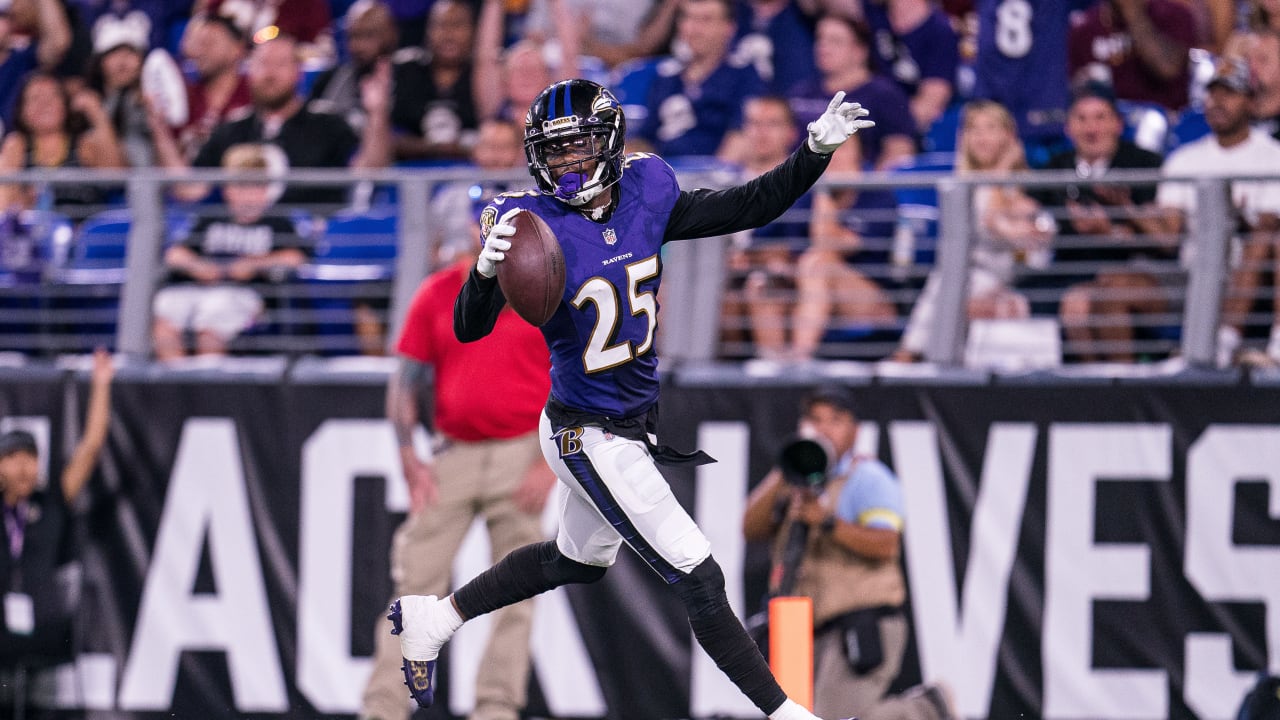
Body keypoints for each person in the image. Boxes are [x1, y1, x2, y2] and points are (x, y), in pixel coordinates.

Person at [389, 78, 874, 720]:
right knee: (700, 577)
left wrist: (813, 152)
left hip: (629, 422)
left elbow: (746, 207)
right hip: (585, 433)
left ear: (611, 142)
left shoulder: (648, 191)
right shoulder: (530, 226)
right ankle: (787, 714)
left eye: (578, 147)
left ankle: (436, 617)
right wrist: (484, 273)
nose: (566, 163)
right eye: (553, 152)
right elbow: (469, 329)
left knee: (576, 560)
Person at [359, 198, 556, 720]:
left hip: (522, 450)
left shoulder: (543, 291)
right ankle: (384, 709)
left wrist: (548, 461)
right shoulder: (441, 290)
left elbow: (574, 382)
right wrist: (409, 454)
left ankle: (496, 709)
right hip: (453, 452)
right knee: (414, 588)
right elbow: (406, 377)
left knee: (516, 594)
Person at [741, 386, 955, 720]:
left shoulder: (867, 479)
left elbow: (886, 544)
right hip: (804, 628)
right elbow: (749, 528)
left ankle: (926, 710)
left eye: (836, 420)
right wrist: (786, 468)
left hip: (862, 622)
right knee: (795, 715)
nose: (823, 428)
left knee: (830, 718)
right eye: (814, 419)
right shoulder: (793, 480)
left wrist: (827, 522)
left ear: (855, 432)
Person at [894, 99, 1056, 362]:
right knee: (948, 283)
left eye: (990, 128)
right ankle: (918, 358)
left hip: (1011, 279)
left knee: (948, 286)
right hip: (968, 280)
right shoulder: (960, 187)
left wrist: (1002, 173)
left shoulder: (1028, 186)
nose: (981, 137)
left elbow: (1003, 228)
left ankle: (908, 354)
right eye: (973, 129)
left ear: (1008, 135)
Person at [1154, 58, 1280, 366]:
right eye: (1213, 94)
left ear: (1251, 101)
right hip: (1192, 267)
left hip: (1255, 268)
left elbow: (1270, 222)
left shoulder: (1273, 157)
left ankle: (1236, 343)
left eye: (1230, 94)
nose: (1218, 102)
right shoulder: (1184, 159)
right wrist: (1128, 214)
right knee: (1109, 285)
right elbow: (1168, 231)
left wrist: (1235, 219)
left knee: (1266, 238)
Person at [1036, 82, 1171, 363]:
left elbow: (1163, 239)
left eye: (1100, 117)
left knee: (1083, 303)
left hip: (1133, 270)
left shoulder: (1145, 165)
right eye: (1081, 118)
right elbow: (1035, 220)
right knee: (1071, 303)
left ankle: (1119, 391)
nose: (1091, 128)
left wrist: (1111, 230)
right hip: (1069, 271)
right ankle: (1096, 395)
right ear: (1068, 127)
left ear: (1118, 124)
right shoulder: (1053, 170)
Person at [1, 349, 113, 686]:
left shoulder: (52, 500)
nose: (23, 467)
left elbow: (91, 446)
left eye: (30, 458)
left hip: (45, 629)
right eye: (13, 458)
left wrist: (102, 384)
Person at [151, 142, 311, 360]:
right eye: (239, 186)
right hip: (200, 288)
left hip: (246, 297)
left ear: (266, 190)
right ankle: (174, 387)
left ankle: (207, 387)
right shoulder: (211, 217)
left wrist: (252, 265)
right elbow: (175, 254)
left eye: (254, 187)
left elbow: (295, 258)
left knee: (215, 313)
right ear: (227, 190)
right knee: (166, 308)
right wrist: (199, 268)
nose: (246, 196)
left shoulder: (277, 222)